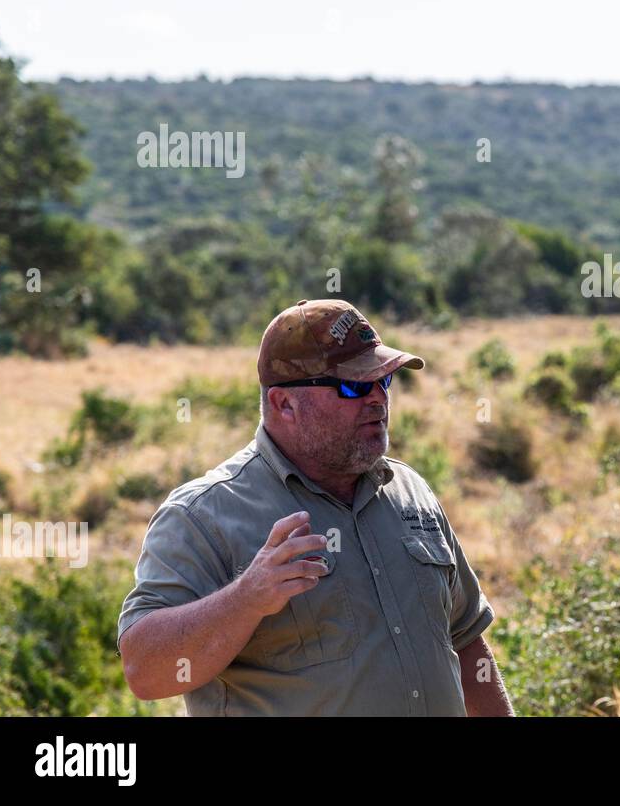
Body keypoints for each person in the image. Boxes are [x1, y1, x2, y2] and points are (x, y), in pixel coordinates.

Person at [118, 299, 512, 716]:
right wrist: (247, 598)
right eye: (353, 386)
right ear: (284, 404)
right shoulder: (203, 516)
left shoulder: (408, 491)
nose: (378, 398)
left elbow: (465, 640)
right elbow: (145, 671)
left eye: (385, 380)